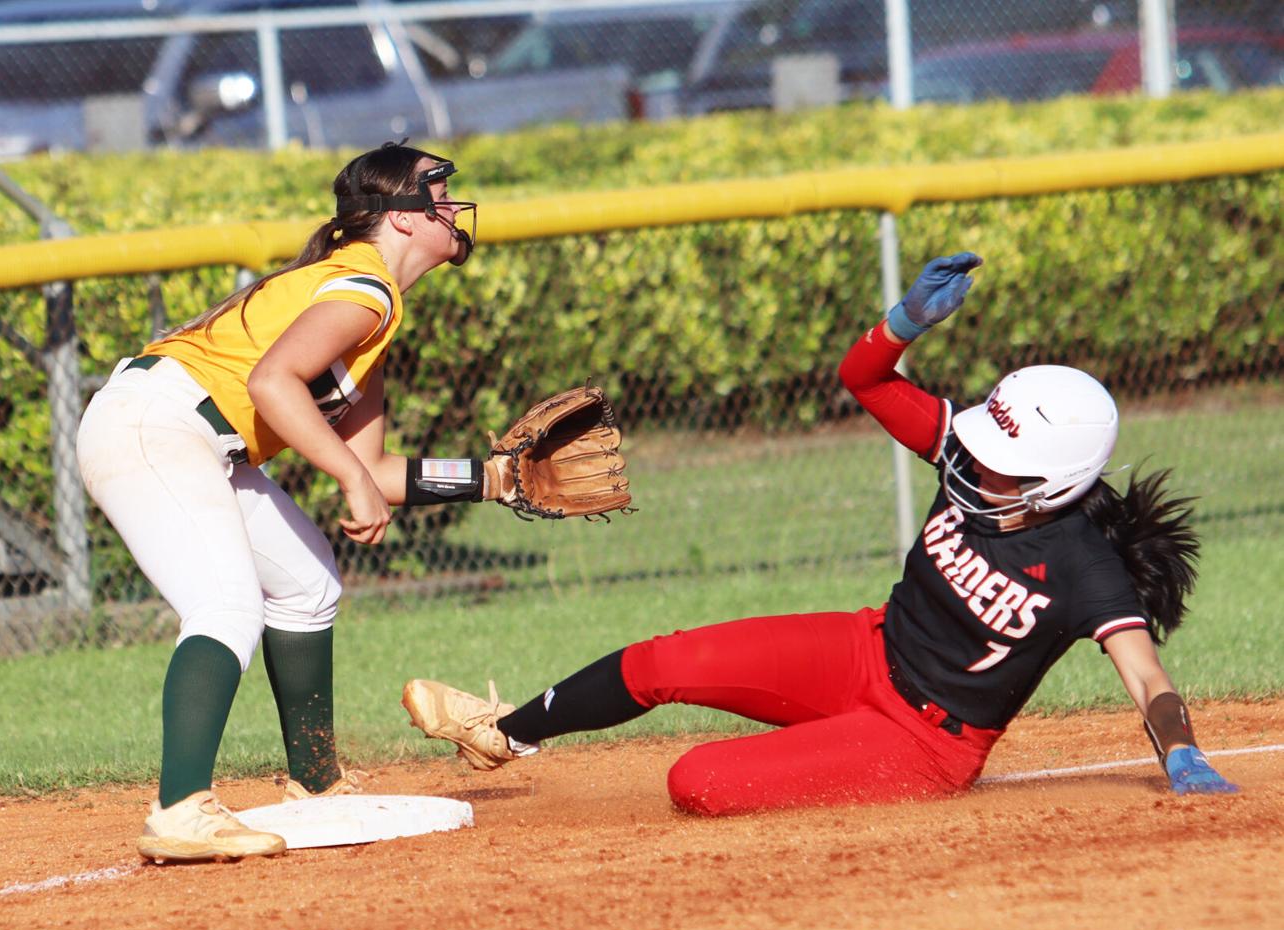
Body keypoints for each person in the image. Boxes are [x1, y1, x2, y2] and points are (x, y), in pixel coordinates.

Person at [402, 252, 1238, 815]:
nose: (976, 466)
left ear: (1058, 482)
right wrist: (903, 322)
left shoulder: (1083, 565)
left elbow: (1145, 676)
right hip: (864, 648)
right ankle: (502, 733)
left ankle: (828, 757)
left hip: (924, 742)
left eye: (1001, 464)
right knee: (660, 661)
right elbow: (863, 378)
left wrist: (1181, 753)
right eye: (982, 445)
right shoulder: (964, 452)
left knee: (698, 782)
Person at [77, 142, 520, 861]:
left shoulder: (371, 305)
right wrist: (348, 480)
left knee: (308, 583)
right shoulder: (364, 289)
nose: (451, 208)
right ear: (400, 218)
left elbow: (372, 470)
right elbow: (272, 384)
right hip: (156, 425)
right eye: (437, 195)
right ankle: (180, 808)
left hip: (195, 437)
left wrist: (492, 478)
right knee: (225, 604)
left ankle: (314, 782)